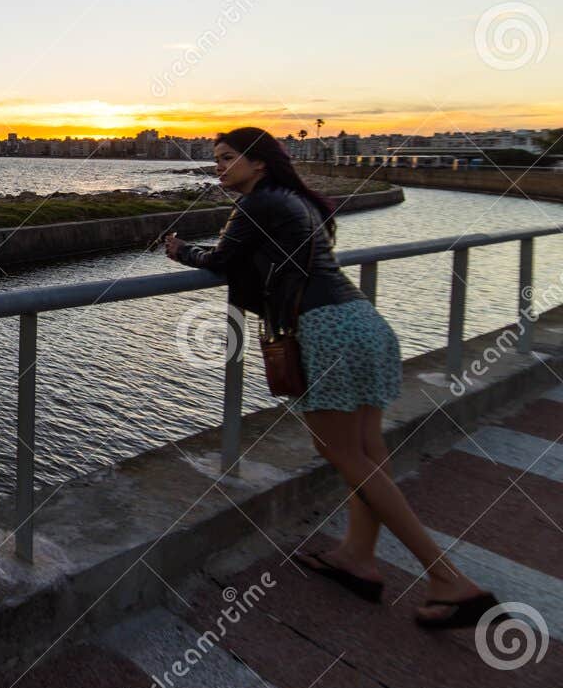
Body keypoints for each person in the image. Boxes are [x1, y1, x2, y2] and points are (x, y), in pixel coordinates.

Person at [163, 126, 500, 628]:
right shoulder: (302, 203)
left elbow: (220, 260)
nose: (219, 167)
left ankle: (448, 578)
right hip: (364, 322)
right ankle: (358, 558)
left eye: (228, 158)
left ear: (259, 164)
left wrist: (179, 250)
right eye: (216, 158)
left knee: (342, 453)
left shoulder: (256, 205)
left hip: (324, 332)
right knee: (366, 452)